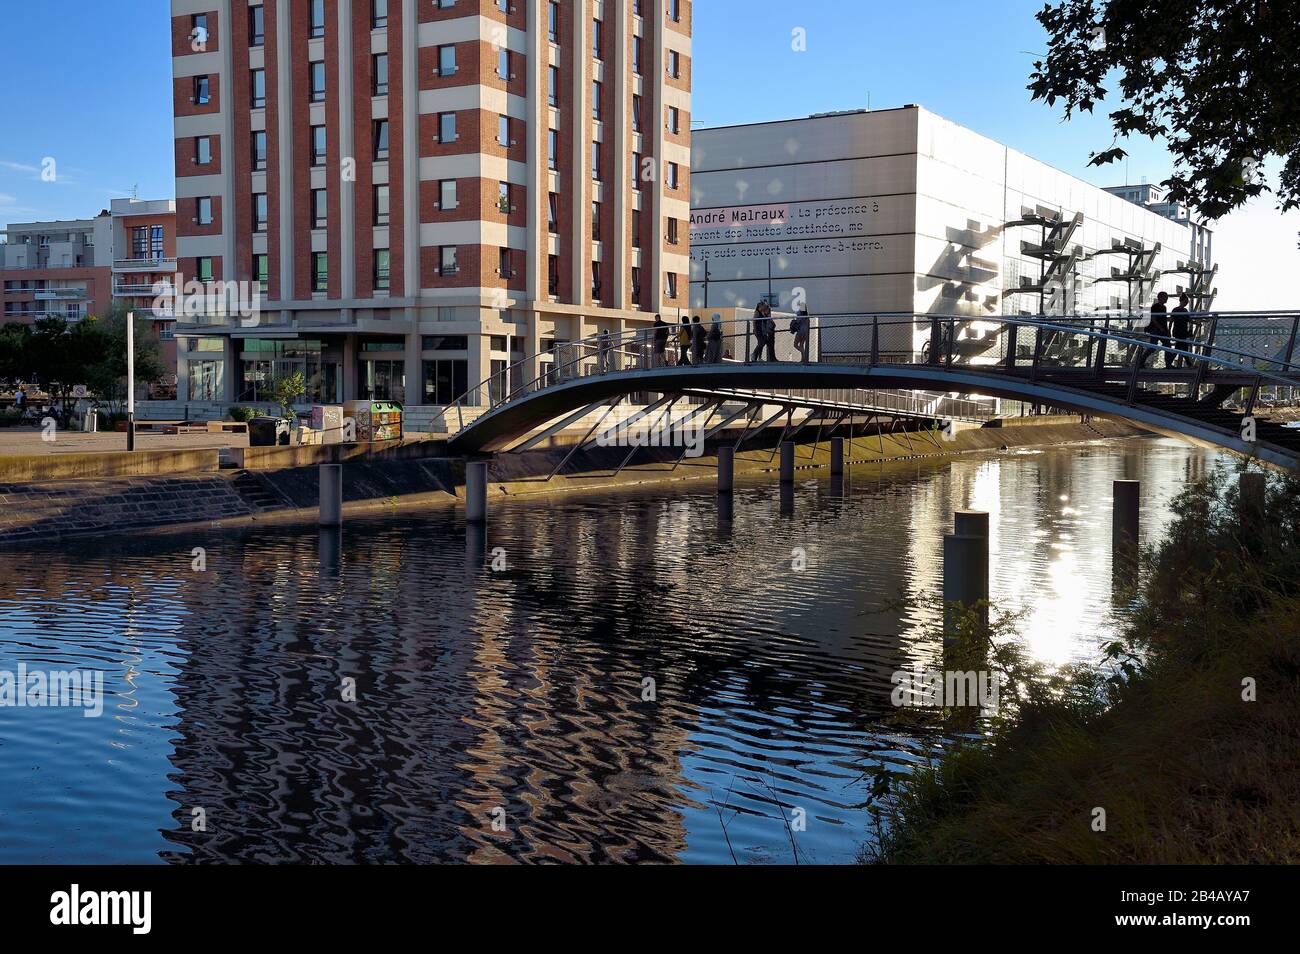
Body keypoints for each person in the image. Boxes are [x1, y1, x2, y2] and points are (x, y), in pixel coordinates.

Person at [1145, 291, 1171, 367]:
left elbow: (1162, 319)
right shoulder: (1155, 306)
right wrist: (1161, 328)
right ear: (1160, 298)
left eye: (1167, 298)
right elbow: (1154, 319)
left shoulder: (1163, 307)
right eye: (1165, 298)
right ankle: (1141, 361)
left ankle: (1168, 364)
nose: (1166, 299)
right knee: (1153, 347)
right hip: (1156, 329)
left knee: (1167, 345)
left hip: (1161, 329)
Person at [1170, 293, 1192, 368]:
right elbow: (1171, 321)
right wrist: (1169, 330)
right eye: (1185, 302)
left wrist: (1169, 330)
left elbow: (1171, 321)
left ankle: (1169, 362)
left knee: (1179, 347)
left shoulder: (1177, 310)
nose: (1186, 303)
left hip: (1179, 331)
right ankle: (1189, 364)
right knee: (1182, 347)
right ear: (1182, 301)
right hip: (1180, 331)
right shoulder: (1183, 310)